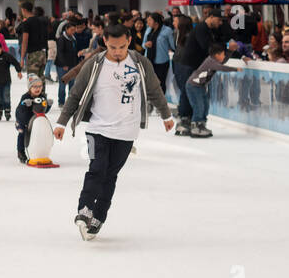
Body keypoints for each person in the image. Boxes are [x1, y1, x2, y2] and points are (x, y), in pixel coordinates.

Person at [54, 23, 174, 240]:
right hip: (97, 129)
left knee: (110, 175)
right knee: (97, 169)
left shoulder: (140, 62)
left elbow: (155, 89)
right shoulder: (95, 64)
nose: (117, 52)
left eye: (121, 47)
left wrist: (166, 115)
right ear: (105, 44)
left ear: (128, 41)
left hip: (127, 132)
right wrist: (62, 122)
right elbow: (75, 94)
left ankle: (99, 217)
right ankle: (85, 210)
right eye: (112, 47)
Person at [172, 8, 231, 136]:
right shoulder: (201, 29)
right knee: (190, 94)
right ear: (210, 17)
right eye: (219, 20)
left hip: (192, 66)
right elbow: (208, 47)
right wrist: (226, 50)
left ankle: (189, 122)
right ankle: (188, 122)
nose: (220, 23)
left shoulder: (208, 30)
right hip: (188, 66)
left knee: (192, 94)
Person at [184, 44, 239, 138]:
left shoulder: (214, 61)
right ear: (217, 55)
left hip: (200, 86)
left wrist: (230, 51)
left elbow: (222, 62)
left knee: (205, 105)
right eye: (223, 54)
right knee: (199, 106)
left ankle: (201, 125)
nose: (224, 56)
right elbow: (222, 67)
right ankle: (195, 127)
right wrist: (235, 69)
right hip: (193, 86)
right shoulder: (210, 61)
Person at [14, 75, 53, 164]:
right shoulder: (25, 97)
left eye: (40, 86)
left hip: (36, 121)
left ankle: (39, 151)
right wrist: (24, 105)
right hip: (23, 121)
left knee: (40, 133)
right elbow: (19, 111)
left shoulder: (42, 97)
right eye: (35, 86)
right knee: (22, 133)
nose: (37, 89)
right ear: (29, 87)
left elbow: (44, 111)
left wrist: (48, 105)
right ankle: (21, 152)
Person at [16, 1, 49, 76]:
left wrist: (22, 58)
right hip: (42, 53)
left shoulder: (27, 23)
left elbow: (25, 41)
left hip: (33, 54)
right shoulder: (41, 21)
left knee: (33, 81)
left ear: (24, 10)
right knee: (41, 79)